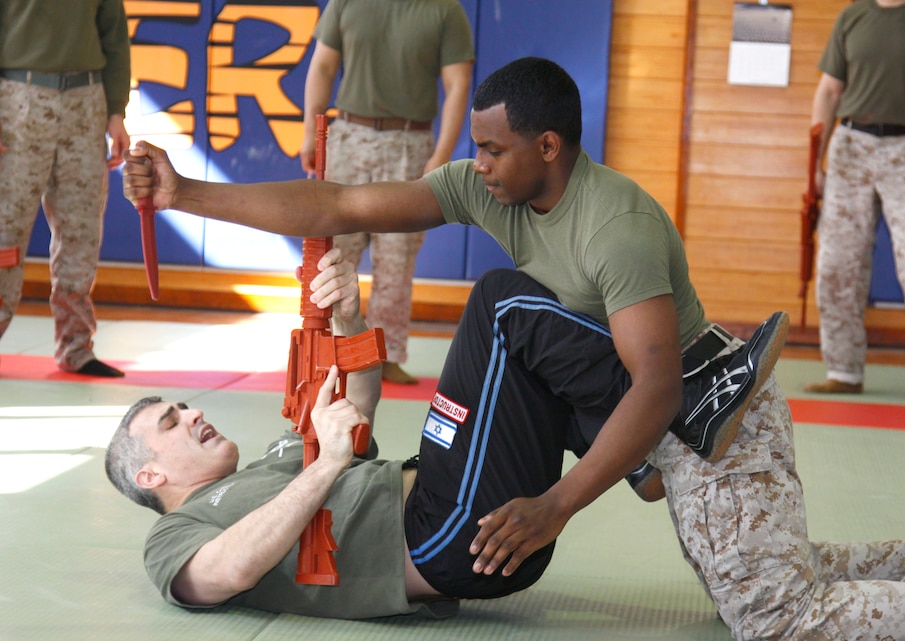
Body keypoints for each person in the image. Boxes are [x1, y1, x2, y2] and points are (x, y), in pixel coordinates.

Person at [106, 250, 905, 639]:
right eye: (171, 423)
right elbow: (227, 575)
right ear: (150, 473)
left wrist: (352, 317)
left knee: (528, 349)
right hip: (445, 539)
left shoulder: (267, 463)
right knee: (501, 306)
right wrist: (328, 461)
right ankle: (672, 411)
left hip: (458, 494)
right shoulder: (172, 539)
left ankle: (646, 437)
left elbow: (356, 405)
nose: (192, 415)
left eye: (186, 405)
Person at [124, 56, 788, 506]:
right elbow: (340, 204)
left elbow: (658, 382)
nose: (480, 164)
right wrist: (184, 192)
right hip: (622, 405)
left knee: (771, 613)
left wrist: (553, 508)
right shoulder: (485, 188)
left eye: (495, 149)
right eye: (478, 146)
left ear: (549, 148)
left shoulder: (616, 226)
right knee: (517, 329)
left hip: (706, 412)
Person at [298, 0, 475, 385]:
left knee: (397, 260)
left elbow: (458, 84)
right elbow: (323, 65)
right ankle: (320, 344)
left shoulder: (445, 10)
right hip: (348, 135)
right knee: (331, 252)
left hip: (410, 142)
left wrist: (441, 155)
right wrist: (312, 130)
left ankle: (386, 355)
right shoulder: (346, 2)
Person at [807, 0, 905, 405]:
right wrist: (814, 163)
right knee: (837, 262)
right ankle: (842, 370)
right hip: (850, 147)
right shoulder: (852, 16)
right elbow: (828, 90)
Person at [0, 0, 131, 378]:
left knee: (81, 229)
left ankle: (76, 347)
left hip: (86, 99)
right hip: (16, 98)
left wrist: (116, 112)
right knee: (5, 232)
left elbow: (114, 35)